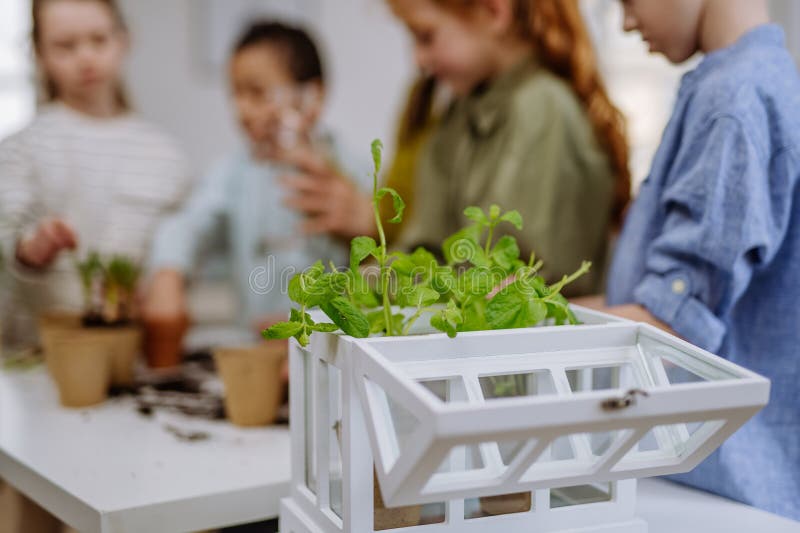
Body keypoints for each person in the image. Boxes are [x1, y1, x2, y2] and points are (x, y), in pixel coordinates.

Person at [576, 0, 800, 521]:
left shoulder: (736, 100)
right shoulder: (743, 83)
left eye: (628, 2)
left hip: (724, 494)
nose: (626, 22)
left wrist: (524, 323)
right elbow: (654, 301)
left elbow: (669, 326)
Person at [283, 0, 630, 295]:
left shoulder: (541, 109)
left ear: (494, 11)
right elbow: (423, 254)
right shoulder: (459, 117)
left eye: (426, 36)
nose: (419, 59)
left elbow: (515, 285)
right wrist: (335, 305)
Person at [0, 0, 191, 530]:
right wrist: (30, 250)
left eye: (97, 40)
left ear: (123, 39)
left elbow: (176, 254)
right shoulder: (21, 149)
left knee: (122, 497)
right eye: (65, 46)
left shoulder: (164, 154)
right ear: (38, 53)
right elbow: (7, 245)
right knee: (35, 508)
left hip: (129, 371)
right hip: (35, 373)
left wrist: (162, 285)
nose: (85, 58)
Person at [143, 22, 363, 335]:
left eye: (257, 93)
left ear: (311, 96)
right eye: (236, 93)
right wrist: (167, 274)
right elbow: (188, 224)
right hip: (256, 349)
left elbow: (377, 258)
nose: (242, 109)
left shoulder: (350, 171)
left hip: (328, 352)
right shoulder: (234, 172)